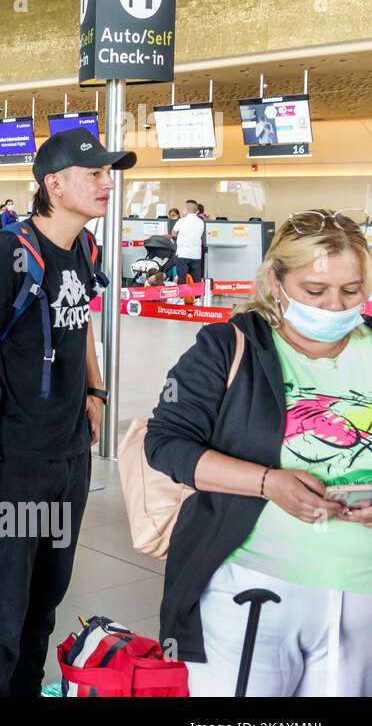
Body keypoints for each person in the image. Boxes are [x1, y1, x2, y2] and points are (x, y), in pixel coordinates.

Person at [145, 210, 372, 695]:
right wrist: (268, 483)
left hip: (362, 597)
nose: (334, 305)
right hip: (253, 592)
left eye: (351, 291)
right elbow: (166, 443)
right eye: (315, 291)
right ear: (275, 281)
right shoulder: (229, 347)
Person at [0, 127, 135, 696]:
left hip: (69, 457)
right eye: (95, 173)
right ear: (53, 184)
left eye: (108, 173)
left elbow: (83, 326)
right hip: (17, 462)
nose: (107, 183)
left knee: (47, 594)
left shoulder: (81, 248)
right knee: (6, 598)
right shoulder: (9, 257)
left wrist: (95, 392)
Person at [173, 200, 206, 284]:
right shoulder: (201, 222)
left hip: (183, 254)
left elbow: (173, 233)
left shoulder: (181, 221)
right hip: (196, 254)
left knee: (182, 277)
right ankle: (197, 296)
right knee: (196, 277)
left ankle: (182, 296)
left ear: (187, 209)